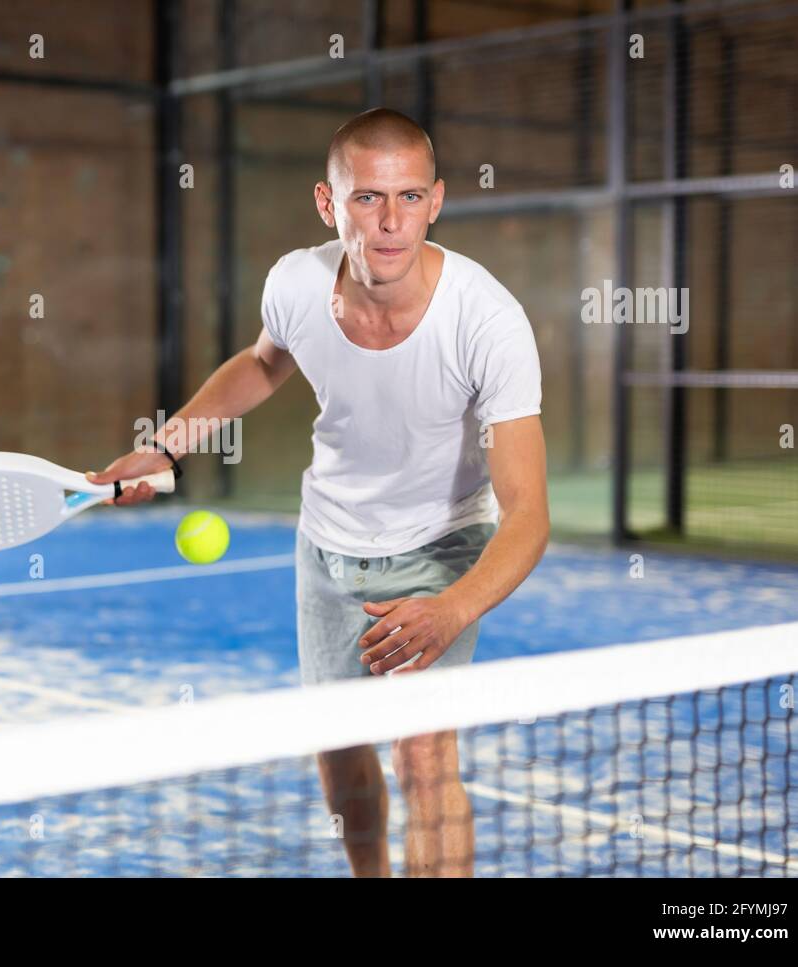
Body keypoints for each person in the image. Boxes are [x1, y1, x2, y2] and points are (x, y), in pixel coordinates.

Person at [91, 109, 549, 876]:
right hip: (328, 547)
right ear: (326, 203)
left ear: (436, 201)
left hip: (441, 552)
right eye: (367, 198)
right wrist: (162, 446)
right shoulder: (297, 282)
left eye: (408, 197)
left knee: (426, 756)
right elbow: (266, 362)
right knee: (338, 748)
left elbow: (529, 514)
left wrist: (453, 607)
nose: (390, 221)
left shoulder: (488, 320)